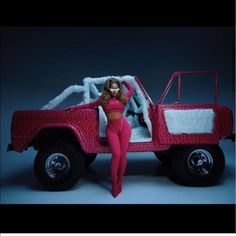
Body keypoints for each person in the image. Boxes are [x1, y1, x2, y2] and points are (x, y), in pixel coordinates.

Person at [66, 78, 134, 197]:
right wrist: (75, 108)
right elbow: (89, 105)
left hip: (125, 128)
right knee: (116, 155)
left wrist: (125, 82)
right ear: (108, 88)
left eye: (117, 87)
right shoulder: (103, 100)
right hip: (111, 129)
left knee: (123, 155)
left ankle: (120, 182)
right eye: (112, 87)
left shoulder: (123, 98)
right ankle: (114, 183)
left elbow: (131, 90)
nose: (114, 90)